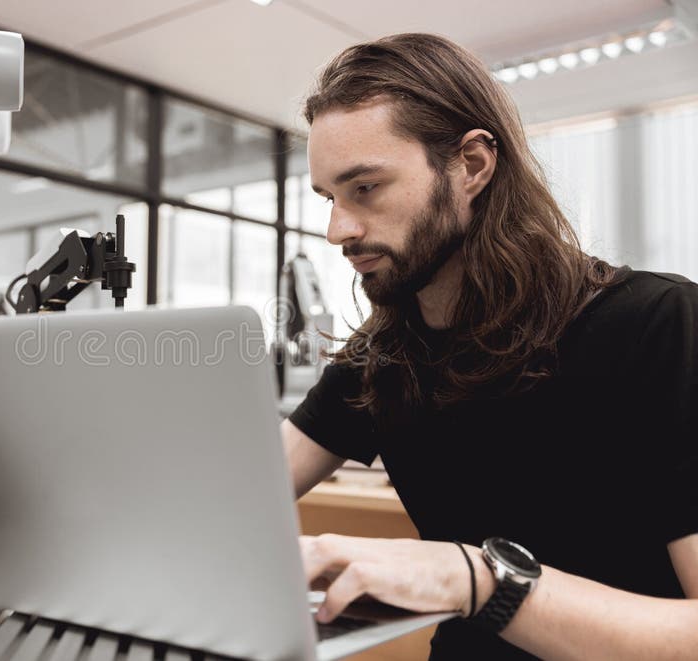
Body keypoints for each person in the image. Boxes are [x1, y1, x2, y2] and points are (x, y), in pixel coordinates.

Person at [283, 33, 698, 660]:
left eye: (364, 188)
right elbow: (241, 490)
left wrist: (474, 578)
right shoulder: (384, 354)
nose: (339, 229)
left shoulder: (658, 323)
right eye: (330, 199)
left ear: (472, 166)